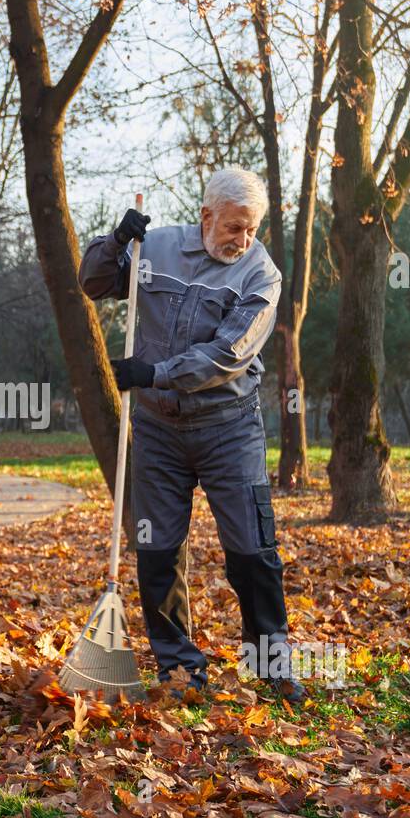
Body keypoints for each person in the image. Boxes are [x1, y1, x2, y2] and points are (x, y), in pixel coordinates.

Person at [79, 166, 305, 702]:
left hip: (229, 429)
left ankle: (271, 668)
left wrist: (154, 373)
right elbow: (93, 282)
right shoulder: (154, 246)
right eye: (233, 228)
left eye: (251, 229)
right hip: (157, 431)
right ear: (206, 217)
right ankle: (179, 671)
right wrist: (114, 243)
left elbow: (230, 353)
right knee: (157, 551)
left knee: (253, 551)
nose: (243, 241)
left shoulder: (260, 274)